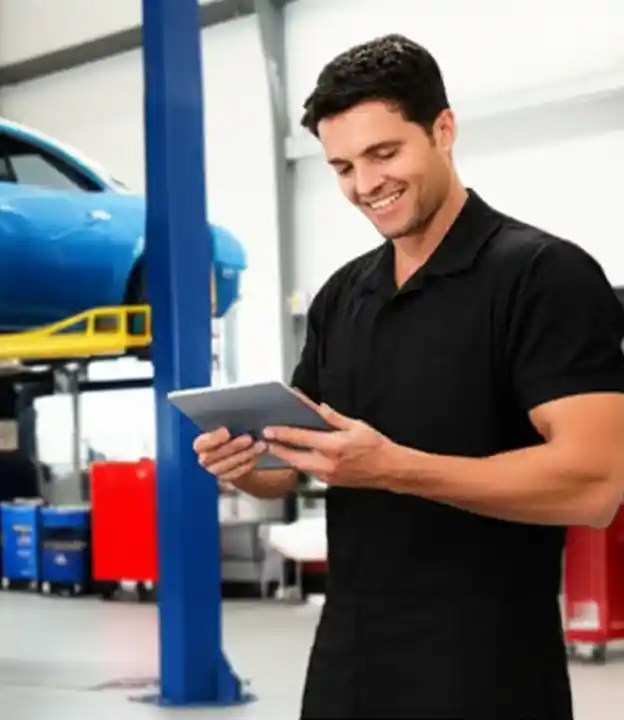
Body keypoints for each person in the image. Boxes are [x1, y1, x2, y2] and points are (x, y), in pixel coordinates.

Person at [193, 34, 624, 719]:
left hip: (487, 674)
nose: (364, 185)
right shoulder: (342, 297)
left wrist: (395, 468)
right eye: (341, 167)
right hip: (349, 665)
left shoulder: (544, 277)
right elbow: (290, 466)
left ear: (443, 130)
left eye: (383, 153)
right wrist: (242, 463)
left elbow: (595, 482)